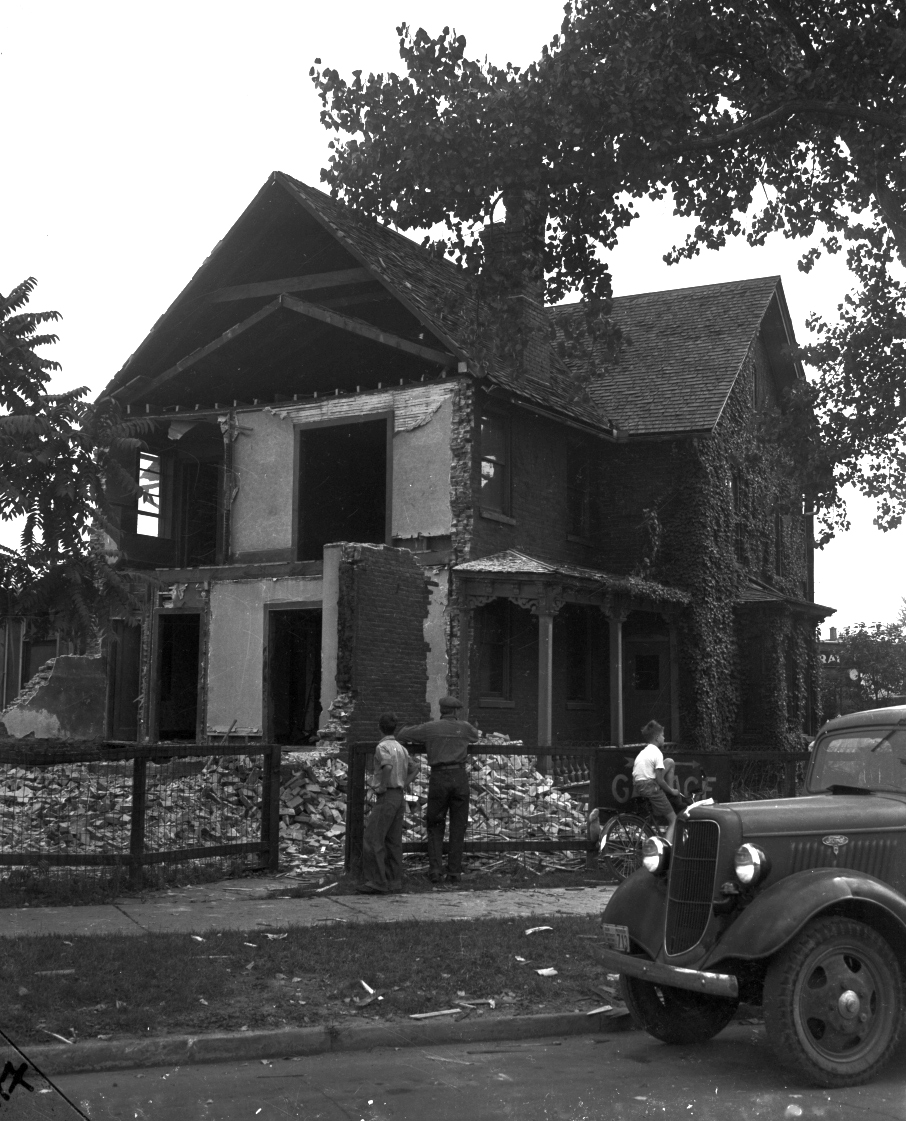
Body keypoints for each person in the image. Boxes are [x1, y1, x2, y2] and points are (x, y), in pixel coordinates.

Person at [397, 696, 481, 884]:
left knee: (435, 824)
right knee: (458, 826)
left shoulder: (430, 728)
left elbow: (402, 735)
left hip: (439, 777)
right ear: (456, 711)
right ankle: (454, 872)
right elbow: (476, 736)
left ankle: (435, 871)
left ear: (441, 710)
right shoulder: (465, 728)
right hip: (459, 777)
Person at [357, 712, 420, 895]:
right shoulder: (401, 748)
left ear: (379, 727)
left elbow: (388, 766)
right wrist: (403, 784)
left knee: (373, 838)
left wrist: (383, 786)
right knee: (393, 841)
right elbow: (415, 768)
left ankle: (377, 881)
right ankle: (394, 880)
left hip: (387, 797)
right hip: (399, 796)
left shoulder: (382, 746)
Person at [632, 720, 677, 844]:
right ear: (657, 738)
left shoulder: (644, 752)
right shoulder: (657, 753)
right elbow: (660, 780)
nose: (664, 738)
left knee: (670, 762)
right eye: (663, 735)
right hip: (650, 786)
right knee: (674, 820)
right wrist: (671, 790)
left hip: (638, 786)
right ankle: (668, 851)